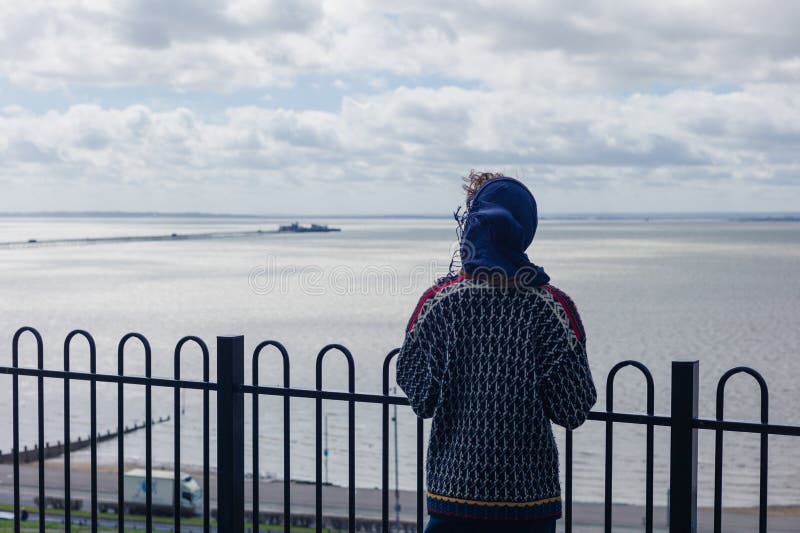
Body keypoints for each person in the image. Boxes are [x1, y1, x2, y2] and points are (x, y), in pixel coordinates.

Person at [396, 172, 596, 533]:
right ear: (525, 230)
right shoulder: (552, 310)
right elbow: (573, 409)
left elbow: (420, 397)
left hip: (452, 501)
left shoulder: (438, 304)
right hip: (528, 507)